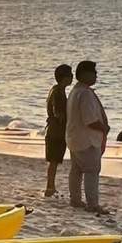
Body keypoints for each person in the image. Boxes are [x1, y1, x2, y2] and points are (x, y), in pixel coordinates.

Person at [64, 60, 110, 214]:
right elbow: (90, 120)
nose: (96, 75)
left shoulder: (75, 91)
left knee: (76, 170)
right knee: (91, 171)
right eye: (94, 72)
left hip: (74, 137)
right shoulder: (84, 93)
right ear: (85, 74)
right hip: (86, 140)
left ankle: (75, 199)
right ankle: (92, 204)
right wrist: (104, 127)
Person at [43, 64, 73, 198]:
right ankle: (50, 187)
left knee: (54, 161)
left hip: (55, 130)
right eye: (70, 75)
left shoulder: (57, 90)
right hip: (56, 131)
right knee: (54, 160)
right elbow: (58, 113)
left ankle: (51, 186)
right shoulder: (58, 92)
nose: (72, 77)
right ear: (64, 77)